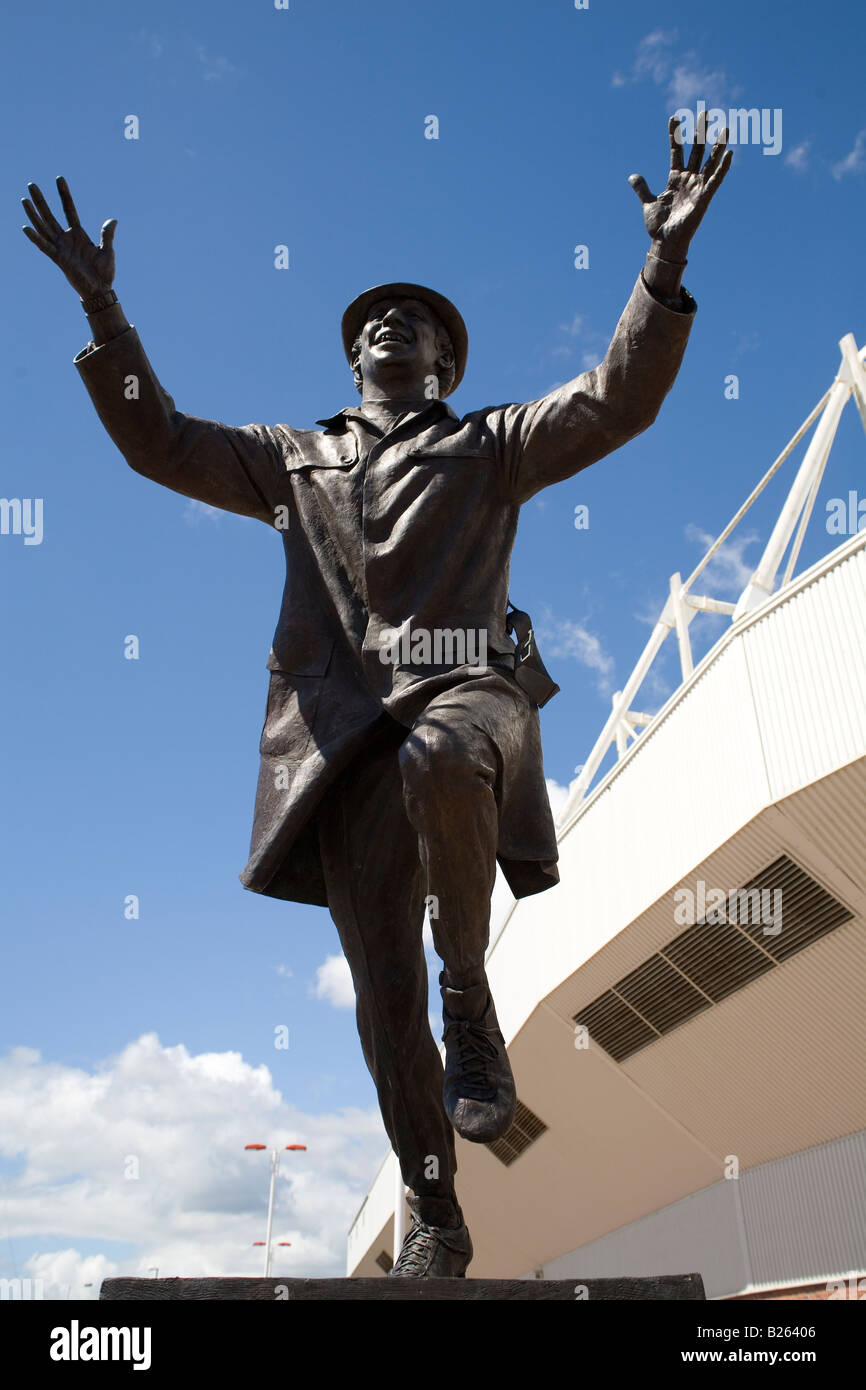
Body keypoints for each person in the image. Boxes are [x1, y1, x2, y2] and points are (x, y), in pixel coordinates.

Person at [22, 115, 731, 1277]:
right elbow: (156, 440)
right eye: (369, 322)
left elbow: (614, 399)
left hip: (467, 698)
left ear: (442, 365)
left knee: (441, 758)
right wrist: (107, 317)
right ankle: (437, 1209)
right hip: (342, 739)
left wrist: (661, 268)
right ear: (351, 359)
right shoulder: (292, 462)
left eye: (412, 322)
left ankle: (471, 988)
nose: (386, 325)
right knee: (379, 1000)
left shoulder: (493, 446)